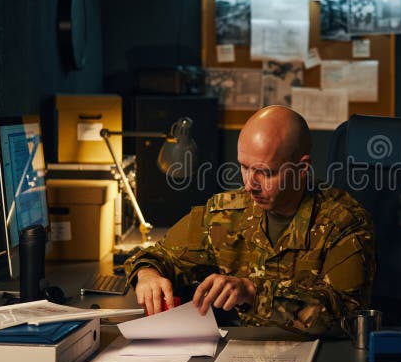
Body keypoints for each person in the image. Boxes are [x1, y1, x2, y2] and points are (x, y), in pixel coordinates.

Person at [123, 105, 376, 335]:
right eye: (244, 167)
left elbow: (345, 318)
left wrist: (252, 293)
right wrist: (147, 273)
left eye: (264, 172)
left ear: (301, 170)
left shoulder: (344, 223)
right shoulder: (224, 214)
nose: (249, 184)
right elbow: (158, 255)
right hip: (242, 360)